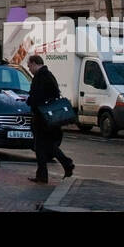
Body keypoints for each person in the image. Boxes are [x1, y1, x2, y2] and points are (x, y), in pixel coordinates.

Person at [26, 54, 74, 183]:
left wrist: (29, 101)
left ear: (35, 63)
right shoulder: (49, 75)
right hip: (49, 117)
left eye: (29, 65)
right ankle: (48, 172)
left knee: (41, 146)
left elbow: (36, 97)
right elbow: (54, 93)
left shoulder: (40, 77)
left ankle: (62, 165)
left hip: (42, 118)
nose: (29, 68)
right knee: (45, 146)